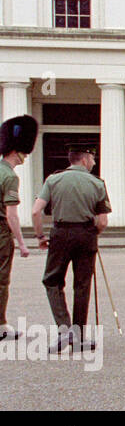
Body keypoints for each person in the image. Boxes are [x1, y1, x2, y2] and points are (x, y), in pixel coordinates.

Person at [31, 144, 110, 352]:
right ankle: (79, 335)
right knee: (82, 285)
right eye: (93, 158)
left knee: (52, 280)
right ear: (84, 159)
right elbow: (102, 221)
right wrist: (93, 233)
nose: (94, 162)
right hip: (86, 234)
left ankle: (64, 329)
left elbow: (35, 211)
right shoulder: (97, 184)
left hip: (60, 233)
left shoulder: (53, 180)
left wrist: (40, 236)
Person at [0, 115, 38, 342]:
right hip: (1, 232)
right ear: (17, 151)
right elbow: (12, 215)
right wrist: (22, 243)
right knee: (2, 280)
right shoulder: (10, 177)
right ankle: (1, 324)